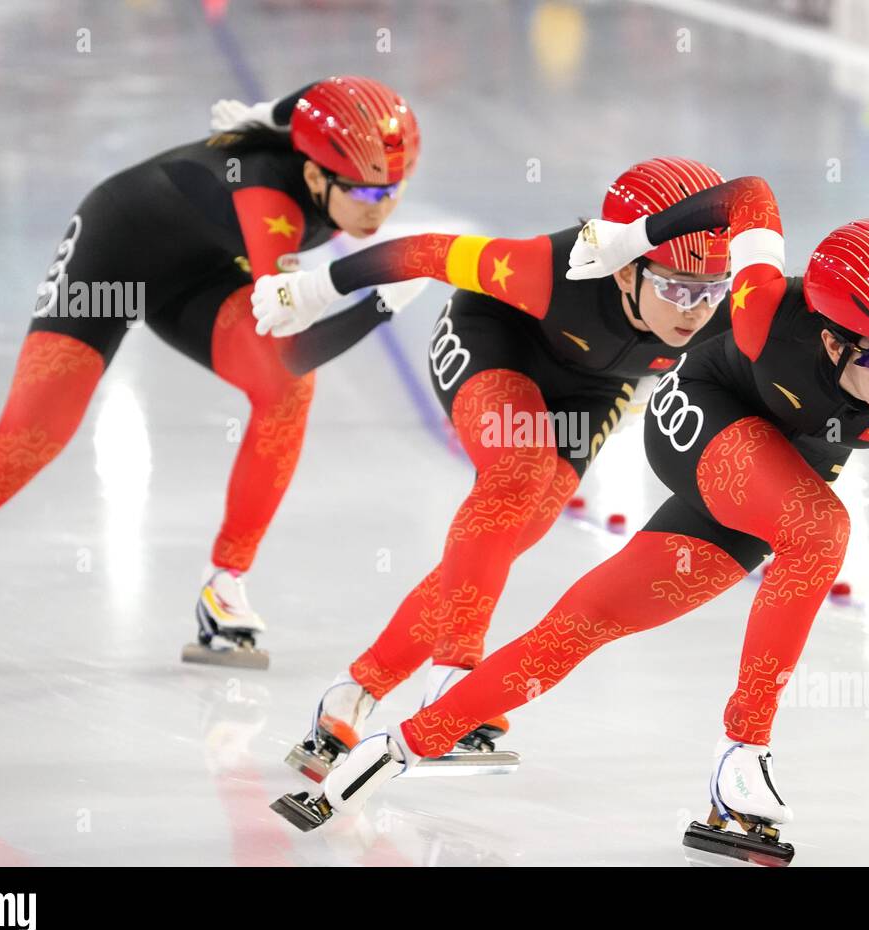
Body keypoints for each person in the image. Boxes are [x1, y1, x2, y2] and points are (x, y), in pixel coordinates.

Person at [267, 175, 869, 865]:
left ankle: (400, 738)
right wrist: (314, 289)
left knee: (588, 620)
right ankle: (741, 752)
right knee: (806, 527)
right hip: (680, 411)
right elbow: (751, 195)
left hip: (733, 465)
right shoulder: (757, 318)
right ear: (831, 339)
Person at [0, 77, 426, 668]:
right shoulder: (269, 199)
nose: (381, 207)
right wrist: (379, 305)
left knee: (286, 392)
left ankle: (224, 589)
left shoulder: (325, 166)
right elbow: (295, 346)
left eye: (394, 191)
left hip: (202, 271)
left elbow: (315, 93)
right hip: (112, 258)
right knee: (25, 445)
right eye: (366, 195)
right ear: (316, 174)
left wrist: (266, 111)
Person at [249, 157, 734, 774]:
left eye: (711, 290)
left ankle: (355, 690)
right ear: (625, 270)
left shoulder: (729, 307)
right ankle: (454, 672)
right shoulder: (549, 270)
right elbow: (427, 250)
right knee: (518, 470)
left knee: (509, 536)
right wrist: (315, 288)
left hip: (593, 391)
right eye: (675, 287)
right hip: (494, 341)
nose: (695, 309)